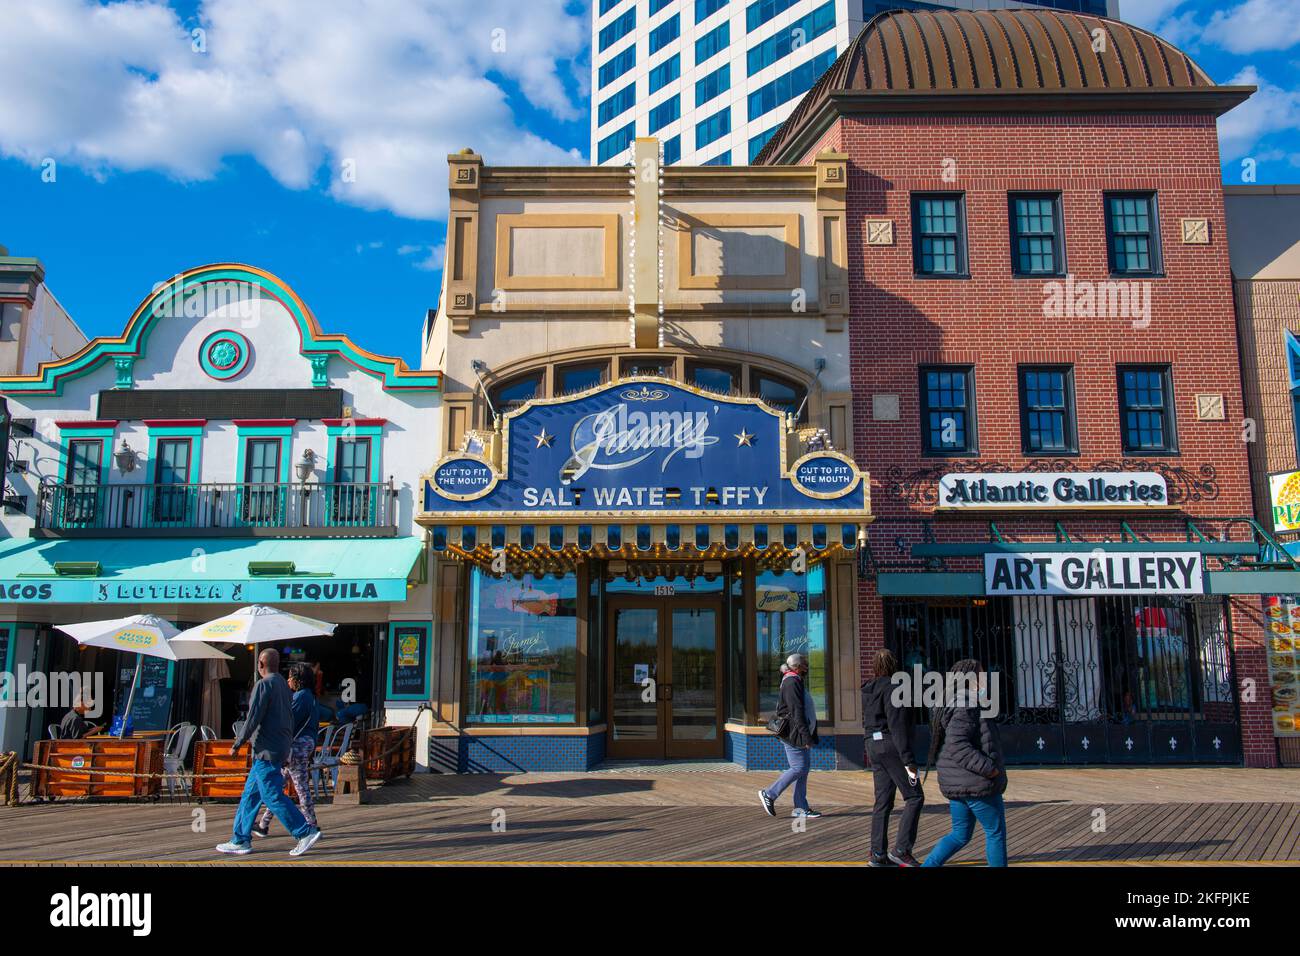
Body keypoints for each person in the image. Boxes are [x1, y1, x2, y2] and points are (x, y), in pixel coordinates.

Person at [216, 649, 322, 857]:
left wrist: (238, 743)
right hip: (278, 747)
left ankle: (304, 831)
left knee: (272, 794)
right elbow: (289, 718)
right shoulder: (283, 685)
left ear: (260, 665)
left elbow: (253, 717)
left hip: (266, 749)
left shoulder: (264, 685)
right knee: (251, 794)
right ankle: (240, 839)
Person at [922, 658, 1008, 867]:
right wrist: (990, 770)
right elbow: (958, 745)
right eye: (981, 673)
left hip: (959, 782)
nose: (985, 677)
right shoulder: (965, 706)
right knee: (994, 833)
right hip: (976, 783)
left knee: (960, 835)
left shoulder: (959, 703)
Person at [861, 649, 924, 867]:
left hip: (872, 744)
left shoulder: (867, 690)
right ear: (894, 665)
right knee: (914, 796)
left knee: (883, 801)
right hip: (890, 745)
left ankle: (877, 853)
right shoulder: (894, 688)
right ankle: (901, 850)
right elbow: (897, 726)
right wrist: (909, 761)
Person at [252, 662, 318, 839]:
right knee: (277, 785)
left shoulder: (301, 697)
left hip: (296, 745)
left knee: (299, 786)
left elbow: (288, 721)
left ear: (297, 680)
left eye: (290, 676)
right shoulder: (309, 696)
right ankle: (263, 824)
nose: (288, 680)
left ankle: (311, 825)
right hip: (305, 743)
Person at [758, 653, 822, 819]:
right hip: (795, 733)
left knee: (803, 768)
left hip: (799, 732)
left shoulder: (794, 680)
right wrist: (806, 736)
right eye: (805, 664)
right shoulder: (792, 682)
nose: (807, 667)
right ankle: (769, 794)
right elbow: (796, 711)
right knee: (798, 768)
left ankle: (801, 807)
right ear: (798, 667)